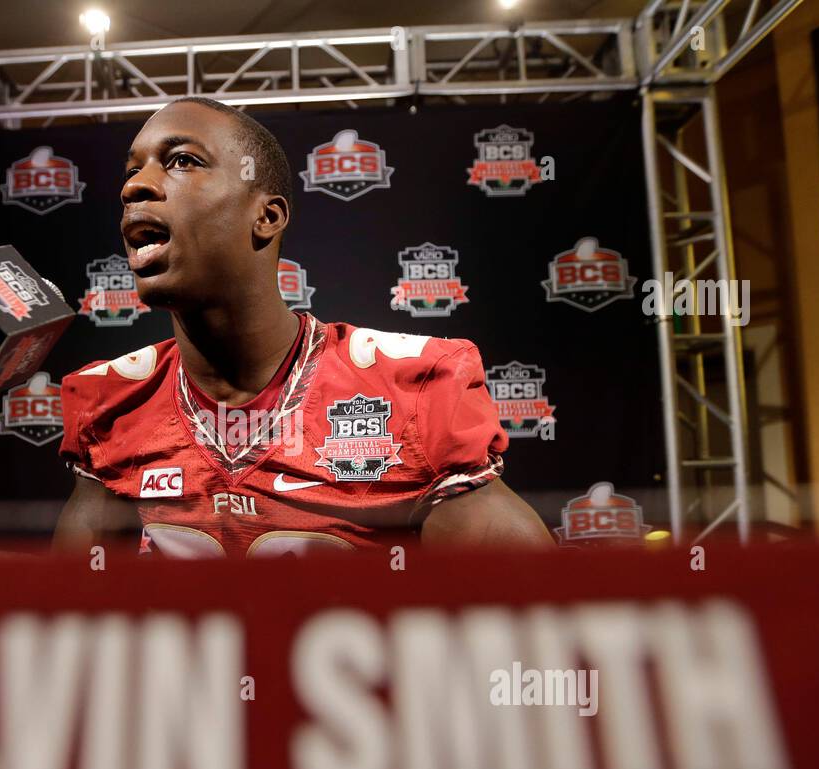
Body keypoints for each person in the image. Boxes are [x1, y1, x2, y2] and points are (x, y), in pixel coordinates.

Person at [54, 97, 551, 557]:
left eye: (183, 160)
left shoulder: (414, 389)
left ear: (266, 216)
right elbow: (65, 619)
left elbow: (536, 616)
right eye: (132, 170)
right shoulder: (110, 401)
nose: (134, 186)